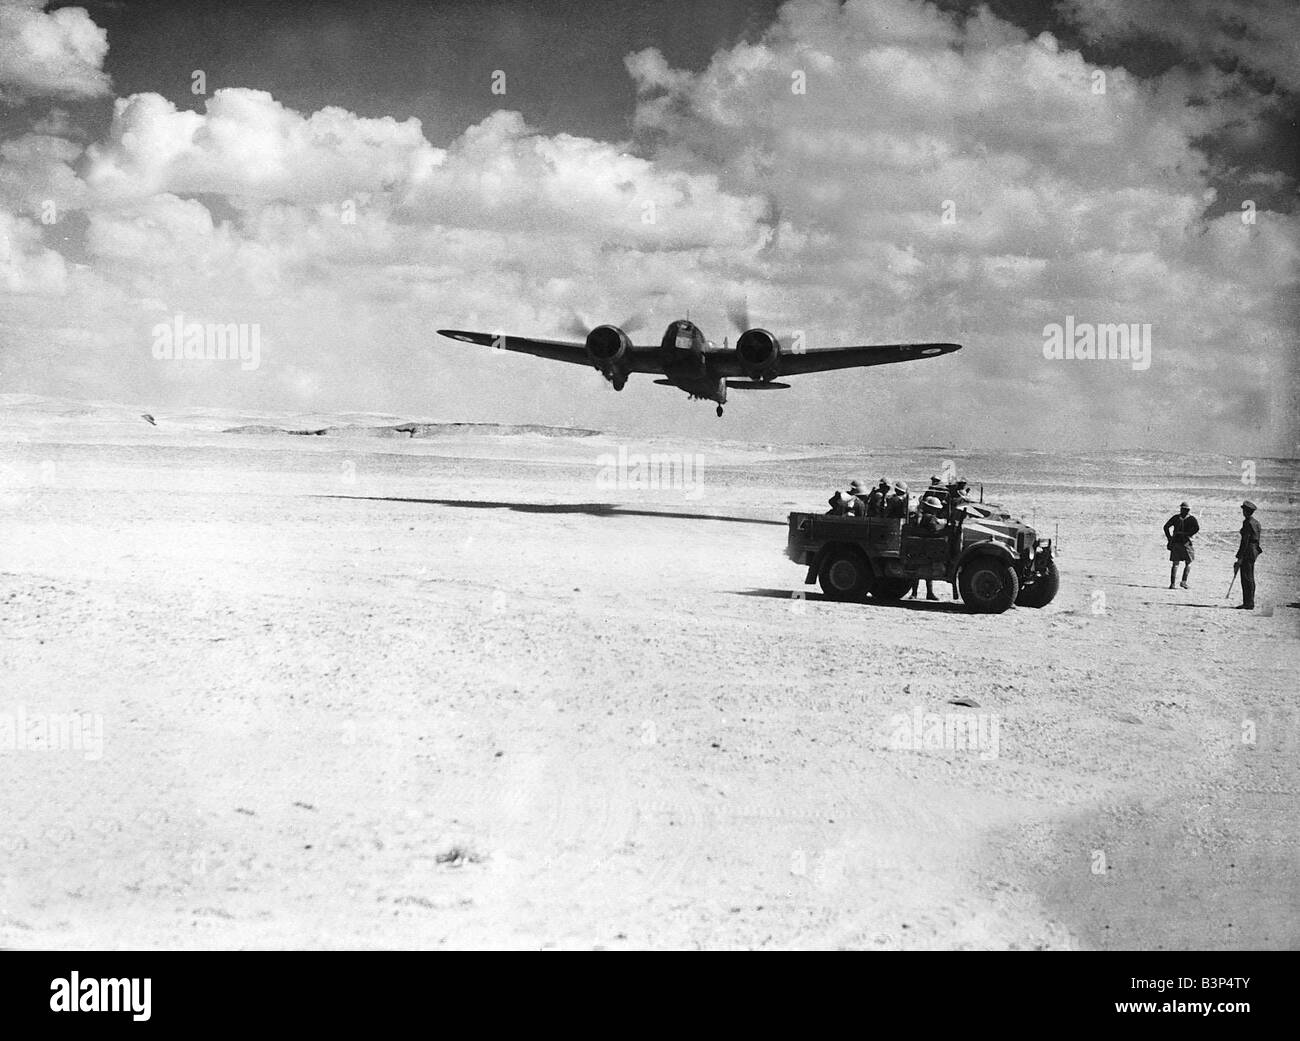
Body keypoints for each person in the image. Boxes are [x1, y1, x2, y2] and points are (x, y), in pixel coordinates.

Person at [908, 494, 946, 600]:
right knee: (927, 572)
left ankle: (915, 593)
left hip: (918, 547)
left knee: (917, 571)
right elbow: (934, 530)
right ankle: (928, 593)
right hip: (926, 548)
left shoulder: (920, 516)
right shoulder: (930, 518)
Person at [1163, 501, 1200, 589]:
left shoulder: (1176, 517)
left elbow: (1166, 527)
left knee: (1175, 564)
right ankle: (1183, 582)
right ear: (1188, 510)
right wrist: (1188, 534)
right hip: (1186, 543)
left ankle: (1172, 584)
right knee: (1189, 563)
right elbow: (1197, 528)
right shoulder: (1192, 519)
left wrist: (1169, 538)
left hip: (1175, 542)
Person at [1235, 500, 1262, 609]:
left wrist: (1240, 556)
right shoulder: (1256, 522)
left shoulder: (1247, 522)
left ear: (1246, 511)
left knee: (1246, 577)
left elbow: (1245, 541)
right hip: (1254, 550)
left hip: (1248, 551)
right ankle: (1249, 602)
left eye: (1243, 510)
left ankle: (1248, 603)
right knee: (1250, 577)